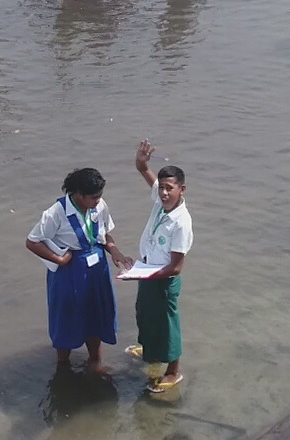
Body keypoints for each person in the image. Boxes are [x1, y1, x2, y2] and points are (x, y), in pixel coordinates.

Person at [26, 168, 130, 372]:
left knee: (96, 313)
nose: (98, 201)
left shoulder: (99, 206)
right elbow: (32, 242)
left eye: (100, 196)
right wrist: (59, 259)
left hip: (96, 268)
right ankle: (63, 365)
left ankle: (95, 361)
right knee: (66, 316)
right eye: (93, 197)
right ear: (78, 194)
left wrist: (115, 251)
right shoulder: (56, 212)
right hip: (69, 270)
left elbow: (105, 234)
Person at [125, 142, 192, 393]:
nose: (164, 193)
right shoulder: (160, 203)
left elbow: (175, 267)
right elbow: (143, 170)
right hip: (147, 272)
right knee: (145, 315)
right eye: (161, 187)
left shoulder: (181, 223)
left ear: (182, 190)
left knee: (167, 324)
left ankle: (173, 371)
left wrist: (141, 274)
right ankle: (151, 351)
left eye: (170, 188)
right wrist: (142, 160)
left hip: (162, 279)